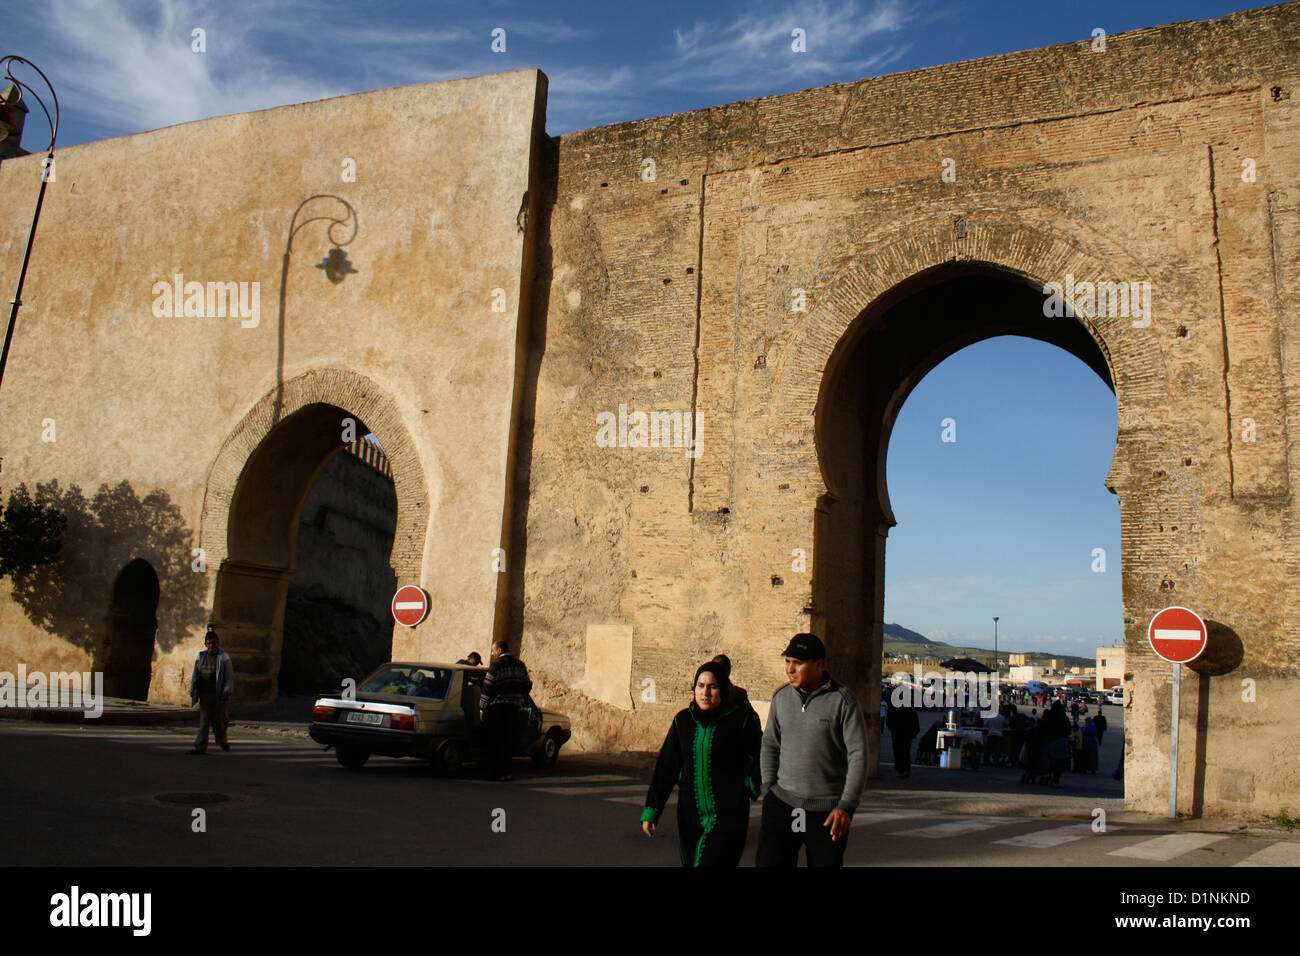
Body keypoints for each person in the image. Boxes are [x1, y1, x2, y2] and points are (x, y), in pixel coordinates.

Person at [756, 633, 866, 868]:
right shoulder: (781, 697)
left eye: (798, 663)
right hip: (783, 805)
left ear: (819, 665)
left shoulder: (843, 701)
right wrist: (768, 789)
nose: (790, 669)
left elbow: (858, 756)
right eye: (787, 661)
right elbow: (770, 744)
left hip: (826, 814)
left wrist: (846, 805)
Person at [640, 662, 761, 867]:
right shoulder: (683, 721)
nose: (705, 692)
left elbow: (760, 753)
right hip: (690, 817)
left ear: (723, 689)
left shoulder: (740, 720)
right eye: (700, 685)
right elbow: (666, 767)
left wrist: (751, 782)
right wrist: (652, 809)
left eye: (712, 687)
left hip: (727, 818)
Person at [478, 641, 532, 781]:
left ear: (499, 650)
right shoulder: (520, 665)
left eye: (493, 651)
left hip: (497, 708)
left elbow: (487, 688)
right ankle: (507, 773)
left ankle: (496, 773)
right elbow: (527, 685)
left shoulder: (496, 666)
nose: (492, 654)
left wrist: (482, 708)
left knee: (496, 741)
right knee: (509, 741)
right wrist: (519, 696)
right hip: (514, 708)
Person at [187, 629, 233, 755]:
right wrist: (193, 690)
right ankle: (200, 747)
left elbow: (228, 678)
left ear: (218, 643)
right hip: (205, 694)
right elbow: (195, 674)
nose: (211, 646)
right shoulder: (201, 656)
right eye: (209, 643)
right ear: (206, 644)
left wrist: (227, 691)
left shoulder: (223, 658)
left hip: (219, 696)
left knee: (220, 721)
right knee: (204, 722)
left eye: (214, 643)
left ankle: (222, 742)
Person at [885, 694, 919, 778]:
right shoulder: (909, 706)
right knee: (905, 750)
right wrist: (915, 731)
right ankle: (905, 769)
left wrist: (890, 727)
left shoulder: (894, 705)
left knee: (898, 750)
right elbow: (914, 719)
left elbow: (889, 718)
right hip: (906, 732)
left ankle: (900, 768)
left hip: (897, 732)